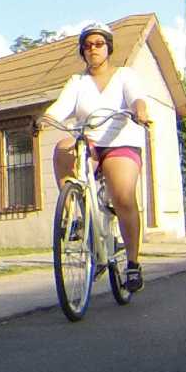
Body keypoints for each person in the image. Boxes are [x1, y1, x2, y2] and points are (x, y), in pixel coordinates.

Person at [43, 22, 156, 289]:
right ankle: (77, 216)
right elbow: (59, 108)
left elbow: (136, 98)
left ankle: (132, 263)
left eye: (98, 44)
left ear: (108, 47)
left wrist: (140, 110)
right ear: (82, 51)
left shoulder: (125, 75)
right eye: (87, 45)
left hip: (121, 141)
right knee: (62, 148)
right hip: (89, 141)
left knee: (122, 195)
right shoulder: (77, 82)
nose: (93, 49)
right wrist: (45, 118)